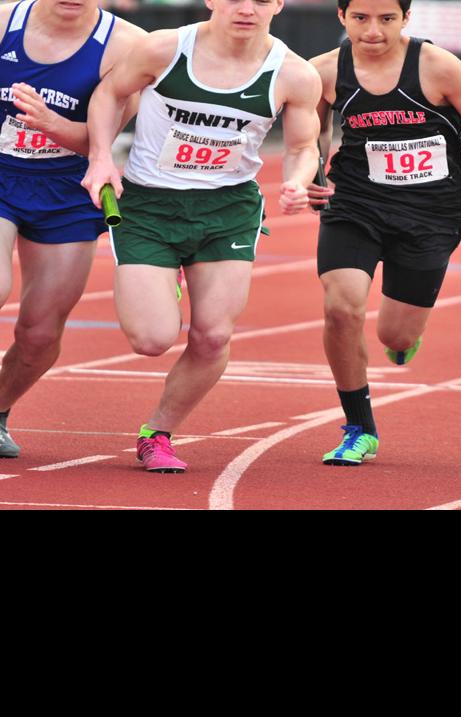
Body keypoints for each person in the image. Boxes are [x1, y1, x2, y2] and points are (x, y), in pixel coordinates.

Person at [82, 0, 321, 473]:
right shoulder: (164, 49)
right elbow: (109, 95)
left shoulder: (294, 74)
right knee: (151, 339)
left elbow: (300, 145)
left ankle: (158, 433)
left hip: (227, 210)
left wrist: (297, 179)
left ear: (279, 5)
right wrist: (100, 157)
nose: (246, 9)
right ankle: (165, 277)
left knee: (213, 336)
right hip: (150, 205)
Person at [0, 0, 142, 459]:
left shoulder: (126, 47)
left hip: (67, 190)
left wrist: (52, 124)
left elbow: (100, 142)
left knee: (40, 333)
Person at [306, 0, 461, 466]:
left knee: (394, 335)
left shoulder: (436, 66)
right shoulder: (324, 71)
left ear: (406, 19)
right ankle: (359, 427)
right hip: (355, 203)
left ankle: (403, 339)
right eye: (360, 19)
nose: (373, 31)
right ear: (342, 18)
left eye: (386, 19)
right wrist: (313, 176)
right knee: (340, 309)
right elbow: (308, 135)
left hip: (430, 212)